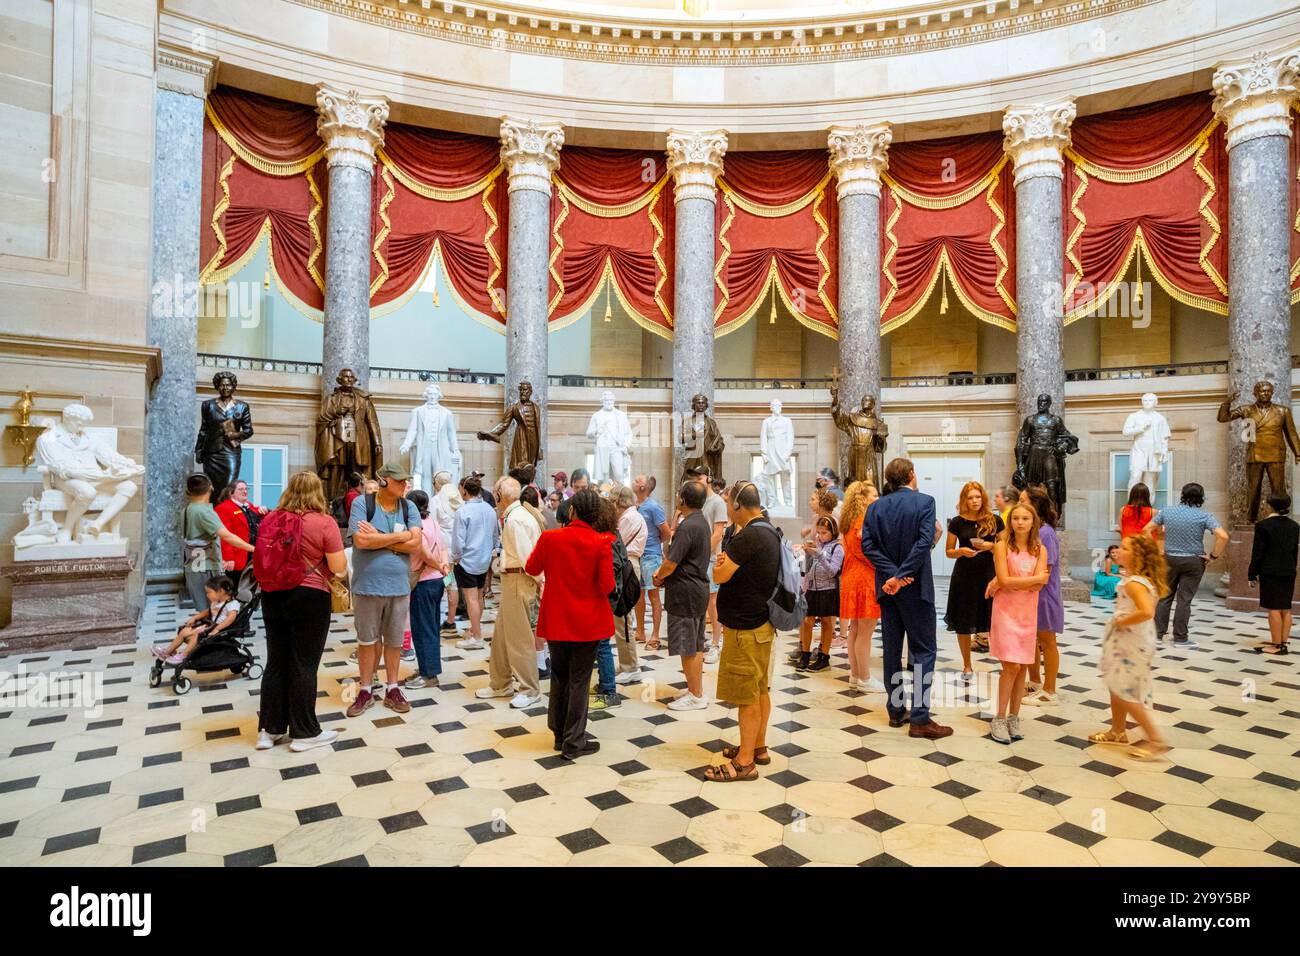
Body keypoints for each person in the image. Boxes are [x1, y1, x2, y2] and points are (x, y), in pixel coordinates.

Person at [256, 471, 348, 752]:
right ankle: (304, 732)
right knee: (303, 664)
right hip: (309, 595)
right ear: (317, 492)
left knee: (276, 661)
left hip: (272, 595)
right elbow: (337, 566)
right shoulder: (323, 522)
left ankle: (269, 730)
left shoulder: (271, 518)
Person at [862, 458, 952, 738]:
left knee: (891, 650)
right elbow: (924, 542)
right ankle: (921, 717)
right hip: (916, 588)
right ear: (912, 474)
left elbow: (868, 545)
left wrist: (892, 575)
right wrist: (902, 575)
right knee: (924, 650)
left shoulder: (875, 507)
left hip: (888, 589)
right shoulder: (925, 502)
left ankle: (896, 710)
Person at [525, 489, 614, 761]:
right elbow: (606, 586)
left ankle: (559, 734)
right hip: (587, 621)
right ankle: (575, 740)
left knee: (560, 675)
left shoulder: (550, 537)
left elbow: (531, 567)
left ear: (572, 511)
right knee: (580, 679)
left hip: (557, 618)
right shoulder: (601, 542)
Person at [707, 481, 783, 781]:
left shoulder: (748, 536)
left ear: (738, 505)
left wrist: (722, 564)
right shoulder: (768, 529)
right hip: (761, 625)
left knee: (747, 696)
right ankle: (759, 746)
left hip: (745, 629)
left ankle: (745, 762)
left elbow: (719, 574)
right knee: (760, 689)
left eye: (728, 503)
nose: (727, 510)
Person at [345, 463, 423, 718]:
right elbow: (360, 540)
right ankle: (366, 689)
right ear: (385, 481)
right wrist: (397, 538)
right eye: (400, 481)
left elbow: (416, 544)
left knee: (394, 641)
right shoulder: (362, 504)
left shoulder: (408, 506)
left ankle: (392, 688)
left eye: (406, 481)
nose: (405, 486)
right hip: (368, 586)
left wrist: (379, 536)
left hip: (399, 586)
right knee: (367, 640)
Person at [1092, 534, 1172, 760]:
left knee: (1126, 691)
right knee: (1117, 684)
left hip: (1131, 640)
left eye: (1124, 548)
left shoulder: (1136, 583)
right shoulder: (1137, 578)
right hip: (1130, 639)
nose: (1118, 551)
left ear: (1137, 555)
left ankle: (1156, 740)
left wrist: (1121, 620)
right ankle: (1118, 731)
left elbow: (1147, 612)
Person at [475, 477, 545, 708]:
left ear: (499, 496)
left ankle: (529, 688)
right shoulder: (518, 515)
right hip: (512, 579)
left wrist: (540, 583)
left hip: (518, 579)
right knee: (501, 637)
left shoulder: (515, 519)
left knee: (519, 639)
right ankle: (500, 682)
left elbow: (529, 559)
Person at [985, 503, 1048, 744]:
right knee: (1010, 666)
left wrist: (1014, 582)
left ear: (1033, 522)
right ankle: (999, 718)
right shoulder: (1002, 547)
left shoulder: (1039, 550)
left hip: (1027, 614)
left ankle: (1014, 716)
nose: (1020, 522)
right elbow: (1004, 579)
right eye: (1016, 518)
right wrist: (1031, 580)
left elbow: (1039, 585)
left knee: (1021, 666)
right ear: (1010, 522)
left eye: (1025, 518)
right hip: (1005, 612)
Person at [1144, 482, 1229, 650]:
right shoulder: (1205, 516)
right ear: (1201, 498)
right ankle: (1180, 639)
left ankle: (1157, 636)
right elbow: (1223, 536)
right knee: (1184, 600)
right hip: (1193, 561)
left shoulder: (1167, 511)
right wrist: (1212, 556)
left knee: (1164, 597)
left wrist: (1158, 550)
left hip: (1169, 559)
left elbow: (1146, 529)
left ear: (1182, 495)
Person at [654, 480, 712, 710]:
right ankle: (694, 690)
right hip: (696, 589)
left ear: (683, 500)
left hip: (686, 591)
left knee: (688, 645)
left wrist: (659, 575)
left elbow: (671, 562)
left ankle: (696, 696)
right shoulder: (700, 522)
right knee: (696, 644)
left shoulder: (689, 526)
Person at [944, 481, 1003, 680]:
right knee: (963, 621)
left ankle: (1004, 661)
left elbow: (1005, 547)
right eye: (970, 498)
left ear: (983, 498)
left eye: (977, 497)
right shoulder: (957, 522)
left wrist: (990, 546)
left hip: (988, 574)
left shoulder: (995, 520)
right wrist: (960, 551)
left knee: (994, 620)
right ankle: (967, 665)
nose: (974, 501)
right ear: (964, 500)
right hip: (964, 576)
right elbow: (949, 552)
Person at [833, 481, 884, 691]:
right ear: (862, 498)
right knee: (865, 632)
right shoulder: (863, 521)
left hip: (851, 577)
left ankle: (855, 675)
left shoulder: (849, 520)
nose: (877, 498)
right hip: (865, 579)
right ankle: (865, 678)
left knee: (855, 629)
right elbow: (867, 554)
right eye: (873, 495)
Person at [183, 473, 254, 611]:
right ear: (210, 488)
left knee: (206, 608)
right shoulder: (204, 511)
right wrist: (254, 549)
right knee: (213, 609)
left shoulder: (188, 509)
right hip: (205, 566)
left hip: (193, 565)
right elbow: (227, 536)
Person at [1020, 485, 1063, 706]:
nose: (1019, 505)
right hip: (1031, 594)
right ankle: (1035, 682)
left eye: (1023, 500)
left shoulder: (1045, 533)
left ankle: (1050, 690)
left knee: (1047, 641)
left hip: (1045, 595)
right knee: (1032, 640)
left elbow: (1045, 566)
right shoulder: (1035, 530)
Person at [405, 489, 449, 692]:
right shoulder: (432, 520)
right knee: (428, 627)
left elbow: (423, 553)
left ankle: (429, 675)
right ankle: (425, 668)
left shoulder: (419, 525)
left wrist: (439, 565)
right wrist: (444, 566)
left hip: (424, 581)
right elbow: (443, 547)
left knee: (424, 629)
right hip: (436, 581)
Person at [450, 475, 499, 651]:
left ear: (464, 490)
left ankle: (477, 637)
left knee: (471, 599)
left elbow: (457, 541)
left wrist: (455, 557)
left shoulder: (462, 512)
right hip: (483, 559)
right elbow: (495, 536)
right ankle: (474, 629)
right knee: (478, 597)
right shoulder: (489, 509)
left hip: (467, 560)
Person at [685, 465, 728, 664]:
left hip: (709, 557)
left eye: (698, 477)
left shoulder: (717, 502)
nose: (695, 480)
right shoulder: (698, 501)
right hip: (696, 558)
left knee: (712, 602)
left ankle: (716, 644)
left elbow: (718, 533)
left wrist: (701, 555)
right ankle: (700, 639)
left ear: (708, 478)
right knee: (699, 601)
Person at [588, 495, 627, 710]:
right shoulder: (614, 534)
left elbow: (609, 572)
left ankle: (609, 690)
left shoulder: (606, 539)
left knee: (602, 644)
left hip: (605, 597)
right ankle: (605, 684)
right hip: (610, 596)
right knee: (600, 643)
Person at [1248, 494, 1298, 655]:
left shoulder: (1263, 525)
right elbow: (1294, 551)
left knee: (1274, 608)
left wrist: (1252, 574)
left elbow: (1258, 553)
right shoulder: (1295, 526)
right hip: (1289, 570)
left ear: (1270, 506)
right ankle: (1282, 643)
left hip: (1270, 571)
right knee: (1286, 607)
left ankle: (1276, 646)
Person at [152, 575, 239, 665]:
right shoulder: (216, 602)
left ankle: (183, 655)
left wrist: (217, 629)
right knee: (184, 632)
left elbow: (230, 619)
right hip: (210, 626)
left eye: (209, 592)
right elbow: (207, 612)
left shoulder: (232, 604)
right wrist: (195, 618)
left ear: (221, 591)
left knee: (197, 636)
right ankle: (167, 652)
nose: (207, 595)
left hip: (219, 630)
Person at [795, 516, 843, 672]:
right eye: (819, 532)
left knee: (826, 622)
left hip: (828, 589)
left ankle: (824, 656)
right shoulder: (818, 544)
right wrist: (808, 553)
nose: (820, 536)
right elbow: (809, 568)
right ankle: (805, 654)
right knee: (807, 621)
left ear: (833, 532)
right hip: (812, 588)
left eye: (824, 533)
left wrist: (819, 555)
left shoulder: (837, 548)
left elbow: (833, 571)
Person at [613, 486, 647, 685]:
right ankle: (626, 663)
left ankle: (631, 667)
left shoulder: (628, 518)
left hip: (627, 563)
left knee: (623, 618)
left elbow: (618, 544)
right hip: (631, 563)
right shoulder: (634, 515)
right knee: (622, 618)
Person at [635, 474, 671, 648]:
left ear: (643, 487)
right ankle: (640, 631)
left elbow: (666, 532)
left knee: (653, 595)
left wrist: (655, 544)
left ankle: (655, 635)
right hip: (638, 555)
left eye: (637, 480)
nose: (633, 482)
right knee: (638, 595)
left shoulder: (654, 507)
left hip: (651, 555)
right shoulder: (635, 506)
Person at [431, 471, 463, 635]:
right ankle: (450, 620)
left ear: (436, 483)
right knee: (452, 585)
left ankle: (436, 619)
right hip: (457, 548)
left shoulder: (436, 501)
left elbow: (433, 526)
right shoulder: (458, 498)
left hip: (441, 550)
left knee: (438, 583)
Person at [214, 485, 254, 575]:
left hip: (250, 555)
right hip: (237, 557)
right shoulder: (223, 508)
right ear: (231, 493)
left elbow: (257, 510)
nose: (245, 492)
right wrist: (228, 558)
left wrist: (264, 509)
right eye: (241, 489)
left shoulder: (248, 505)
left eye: (246, 489)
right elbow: (224, 535)